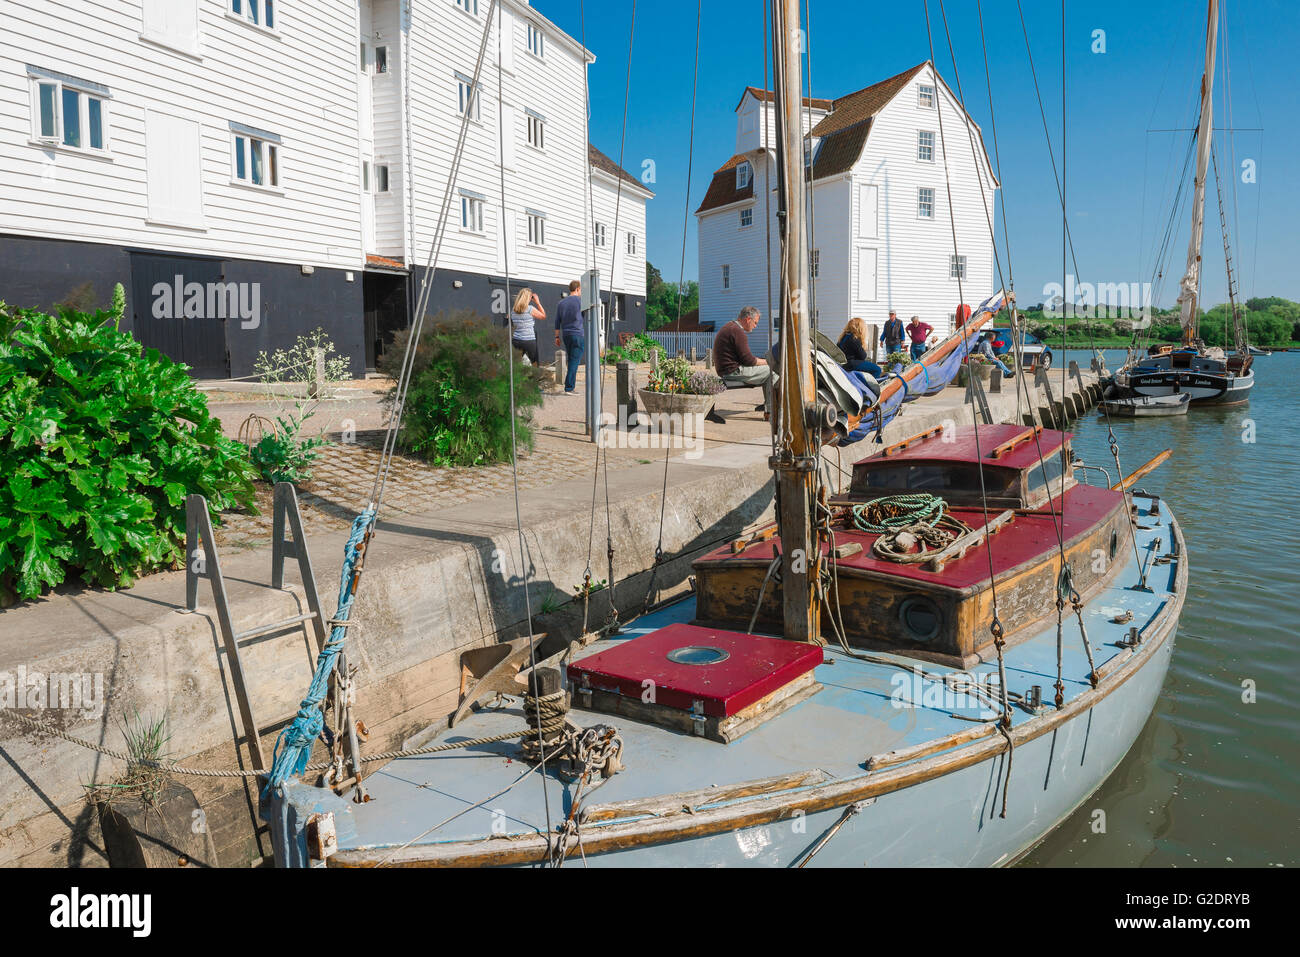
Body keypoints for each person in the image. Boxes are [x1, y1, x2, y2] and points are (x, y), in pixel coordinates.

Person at [709, 305, 773, 424]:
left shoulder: (729, 327)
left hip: (725, 370)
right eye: (755, 322)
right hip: (732, 371)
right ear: (748, 319)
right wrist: (768, 361)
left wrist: (760, 361)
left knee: (767, 371)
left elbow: (745, 359)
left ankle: (768, 405)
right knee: (772, 372)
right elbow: (749, 360)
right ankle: (770, 411)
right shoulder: (737, 332)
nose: (756, 326)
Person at [553, 279, 584, 394]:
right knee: (574, 361)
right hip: (577, 334)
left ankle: (569, 386)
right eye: (581, 290)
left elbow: (557, 321)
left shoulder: (561, 303)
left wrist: (557, 337)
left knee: (571, 360)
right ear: (577, 289)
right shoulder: (581, 302)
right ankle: (569, 388)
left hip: (566, 334)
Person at [509, 287, 545, 365]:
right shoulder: (530, 309)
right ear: (528, 298)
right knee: (534, 364)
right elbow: (543, 316)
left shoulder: (513, 310)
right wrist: (538, 302)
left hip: (516, 340)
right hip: (529, 340)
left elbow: (509, 318)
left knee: (516, 365)